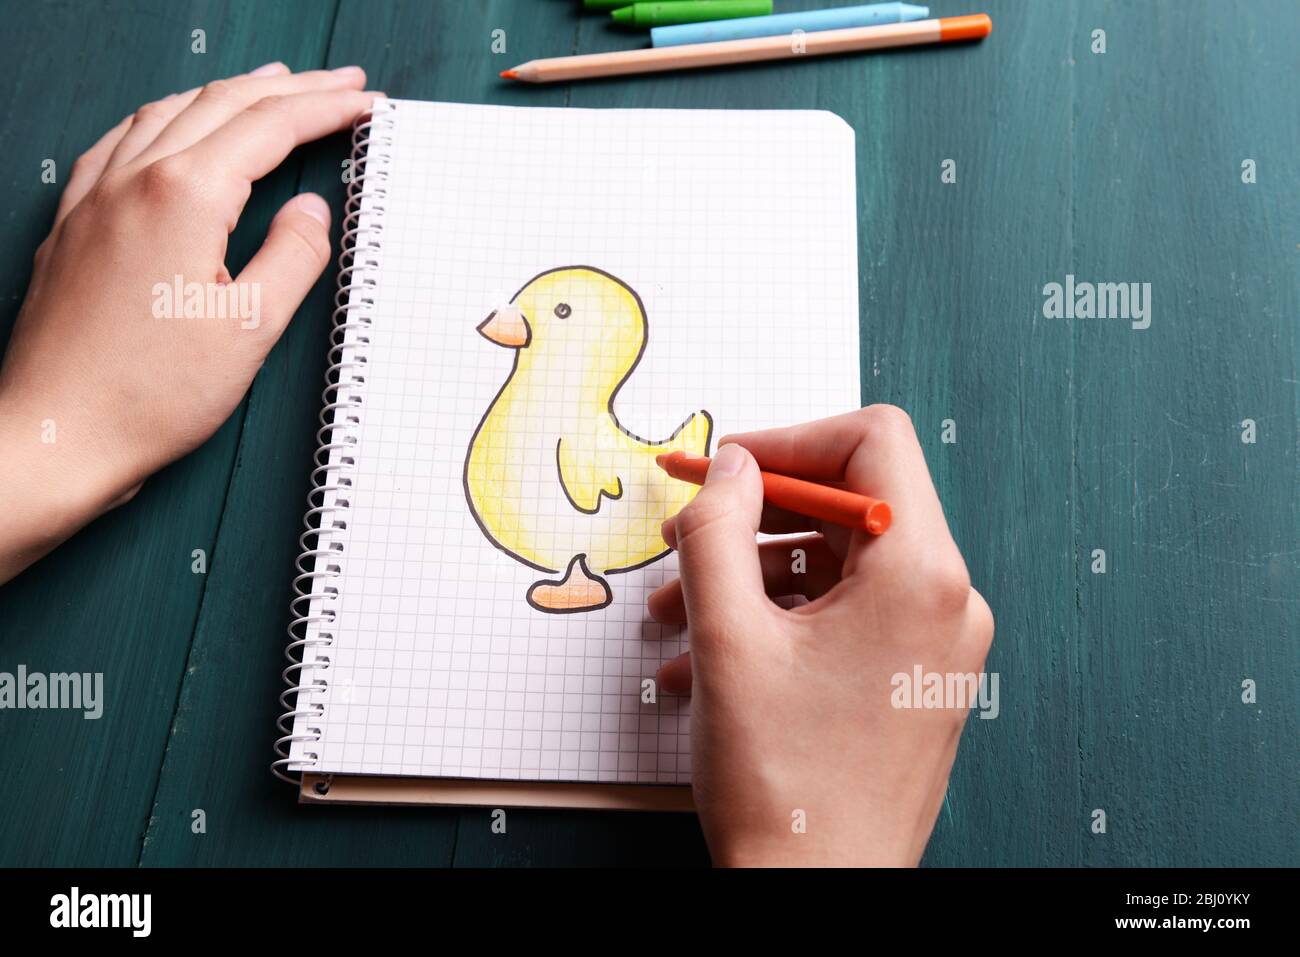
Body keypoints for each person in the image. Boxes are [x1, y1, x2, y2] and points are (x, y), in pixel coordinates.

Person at [0, 66, 993, 867]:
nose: (517, 322)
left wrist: (49, 435)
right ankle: (568, 576)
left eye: (551, 313)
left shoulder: (576, 443)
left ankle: (573, 572)